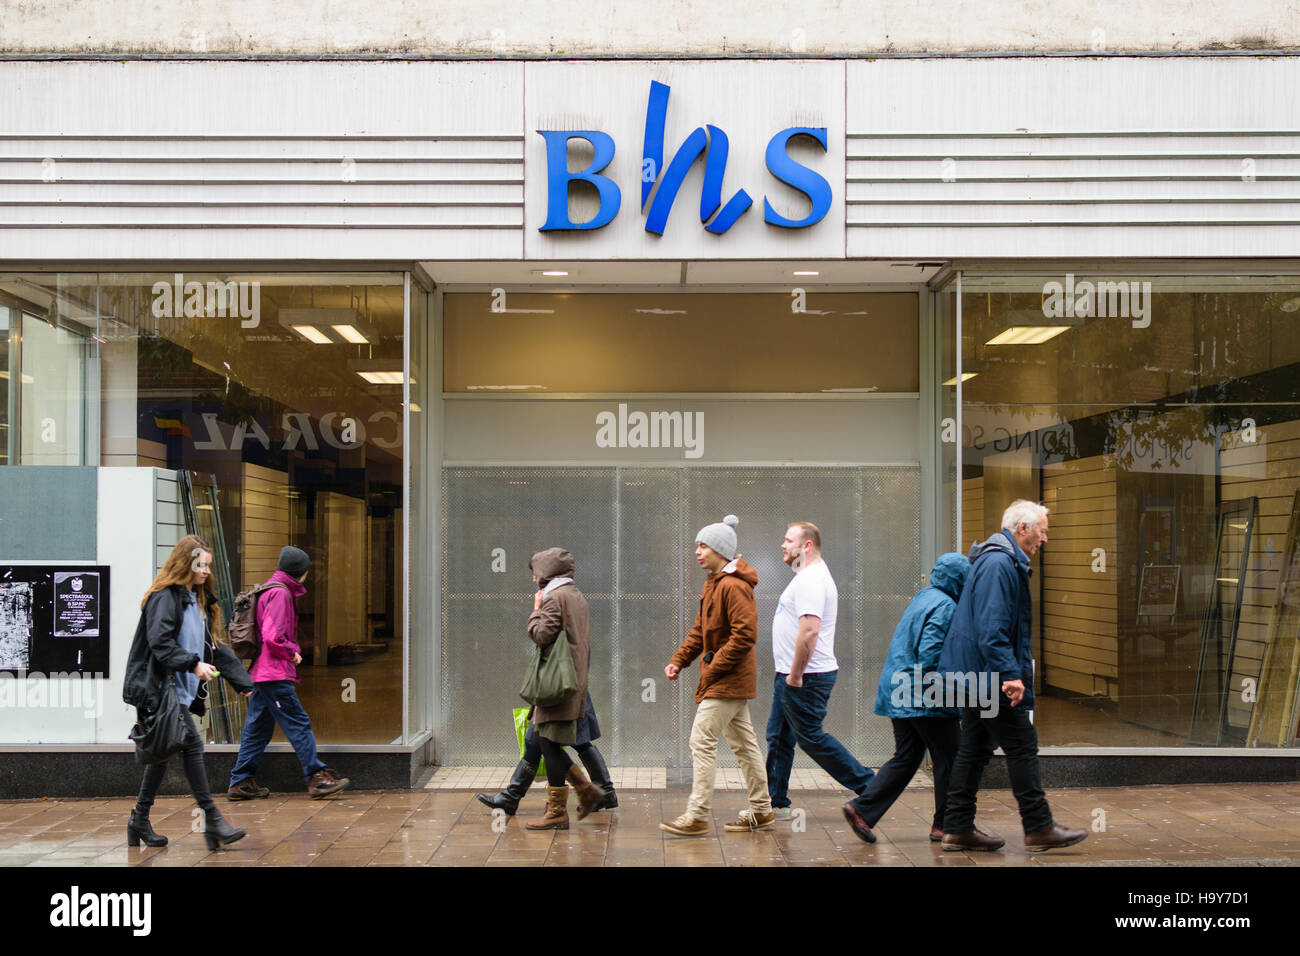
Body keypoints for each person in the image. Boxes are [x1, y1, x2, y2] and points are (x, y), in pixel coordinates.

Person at [938, 500, 1087, 853]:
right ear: (1022, 529)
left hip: (977, 673)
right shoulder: (1000, 563)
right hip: (987, 675)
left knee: (973, 748)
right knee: (1021, 744)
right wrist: (1009, 674)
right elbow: (992, 627)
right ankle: (1038, 827)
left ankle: (956, 828)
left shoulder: (998, 559)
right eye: (1042, 530)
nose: (1045, 539)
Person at [122, 534, 254, 850]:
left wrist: (244, 683)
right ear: (185, 563)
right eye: (200, 564)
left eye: (208, 565)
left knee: (162, 755)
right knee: (192, 745)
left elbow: (214, 647)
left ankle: (138, 820)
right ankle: (212, 820)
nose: (206, 570)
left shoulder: (199, 601)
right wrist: (194, 665)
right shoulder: (165, 598)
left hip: (179, 691)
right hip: (158, 691)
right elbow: (160, 643)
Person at [842, 552, 970, 844]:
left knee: (907, 756)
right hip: (924, 695)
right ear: (959, 579)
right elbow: (930, 654)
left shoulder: (924, 597)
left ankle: (861, 809)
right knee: (951, 757)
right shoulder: (947, 605)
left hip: (900, 689)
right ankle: (947, 825)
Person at [661, 515, 774, 836]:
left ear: (720, 550)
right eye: (697, 545)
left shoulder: (734, 586)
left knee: (701, 739)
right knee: (744, 745)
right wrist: (679, 660)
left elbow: (745, 636)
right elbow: (701, 630)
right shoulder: (714, 582)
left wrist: (713, 666)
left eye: (703, 545)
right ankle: (762, 810)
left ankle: (697, 815)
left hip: (727, 680)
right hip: (727, 679)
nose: (697, 551)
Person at [766, 521, 875, 818]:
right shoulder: (806, 576)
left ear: (807, 546)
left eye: (788, 540)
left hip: (805, 676)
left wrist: (796, 675)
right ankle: (774, 802)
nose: (783, 545)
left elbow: (810, 630)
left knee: (812, 738)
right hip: (792, 673)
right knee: (778, 737)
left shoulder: (811, 579)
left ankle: (874, 788)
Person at [227, 546, 350, 801]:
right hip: (273, 674)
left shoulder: (268, 589)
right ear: (300, 573)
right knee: (297, 722)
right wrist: (292, 651)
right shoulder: (281, 594)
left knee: (257, 728)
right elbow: (273, 637)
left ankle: (241, 781)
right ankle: (317, 777)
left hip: (262, 673)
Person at [521, 548, 605, 830]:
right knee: (542, 740)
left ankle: (582, 792)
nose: (533, 578)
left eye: (536, 571)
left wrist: (535, 611)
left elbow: (542, 635)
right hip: (571, 679)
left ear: (547, 572)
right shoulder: (575, 595)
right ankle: (561, 805)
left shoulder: (554, 598)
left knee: (547, 742)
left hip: (557, 682)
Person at [475, 693, 618, 816]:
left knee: (542, 740)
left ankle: (525, 801)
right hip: (562, 693)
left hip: (560, 694)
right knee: (563, 740)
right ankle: (603, 791)